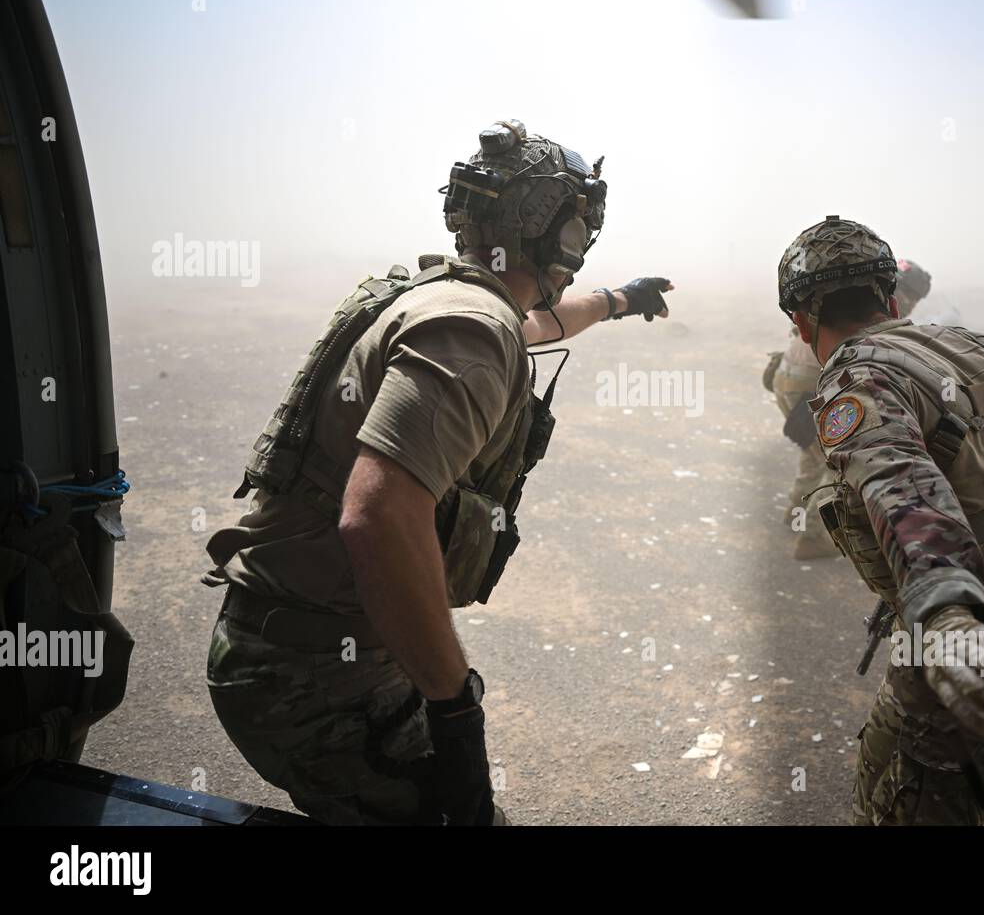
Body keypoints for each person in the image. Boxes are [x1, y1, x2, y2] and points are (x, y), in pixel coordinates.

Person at [203, 120, 671, 825]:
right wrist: (456, 710)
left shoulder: (445, 299)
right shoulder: (471, 332)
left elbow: (541, 323)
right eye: (579, 226)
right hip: (315, 673)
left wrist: (619, 300)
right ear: (556, 229)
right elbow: (378, 516)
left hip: (299, 637)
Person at [776, 215, 984, 824]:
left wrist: (947, 616)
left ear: (801, 323)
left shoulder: (861, 382)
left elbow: (902, 494)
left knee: (915, 805)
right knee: (886, 769)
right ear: (889, 297)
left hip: (981, 640)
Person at [765, 257, 932, 560]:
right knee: (838, 463)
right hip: (813, 383)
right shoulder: (892, 303)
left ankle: (797, 511)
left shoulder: (858, 289)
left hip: (788, 375)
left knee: (815, 452)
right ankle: (815, 537)